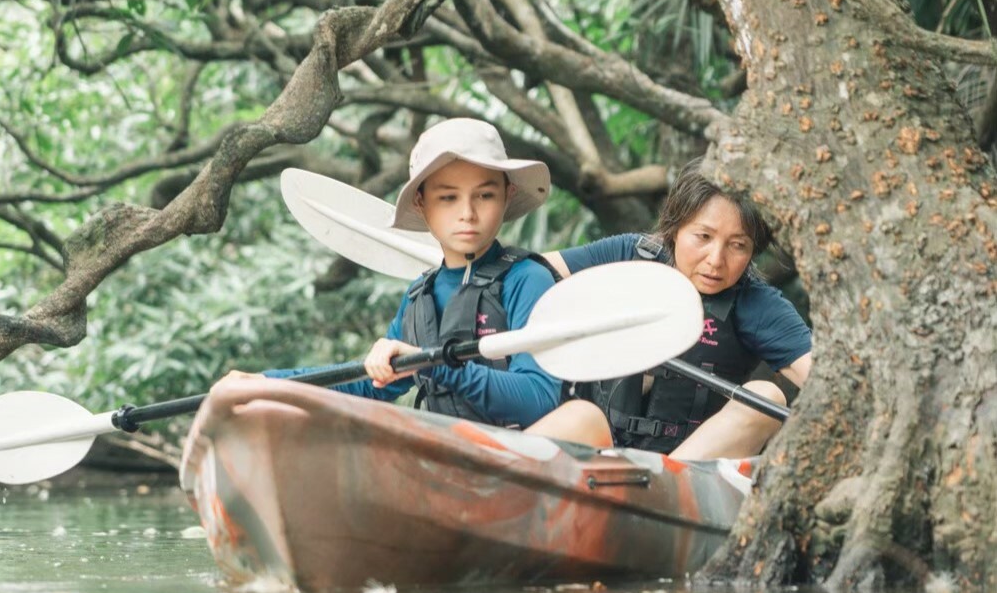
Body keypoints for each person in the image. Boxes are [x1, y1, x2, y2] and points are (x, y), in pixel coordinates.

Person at [223, 117, 562, 430]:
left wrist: (432, 362)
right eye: (447, 198)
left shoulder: (527, 280)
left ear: (508, 195)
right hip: (453, 468)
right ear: (420, 203)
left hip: (527, 466)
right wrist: (268, 383)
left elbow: (538, 400)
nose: (467, 214)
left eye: (485, 195)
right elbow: (369, 384)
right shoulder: (420, 298)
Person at [526, 158, 813, 460]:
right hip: (594, 451)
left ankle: (655, 489)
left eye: (738, 245)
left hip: (682, 478)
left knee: (767, 398)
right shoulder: (630, 254)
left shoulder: (760, 305)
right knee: (578, 415)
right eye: (703, 237)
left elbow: (828, 380)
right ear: (675, 229)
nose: (716, 259)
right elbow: (527, 275)